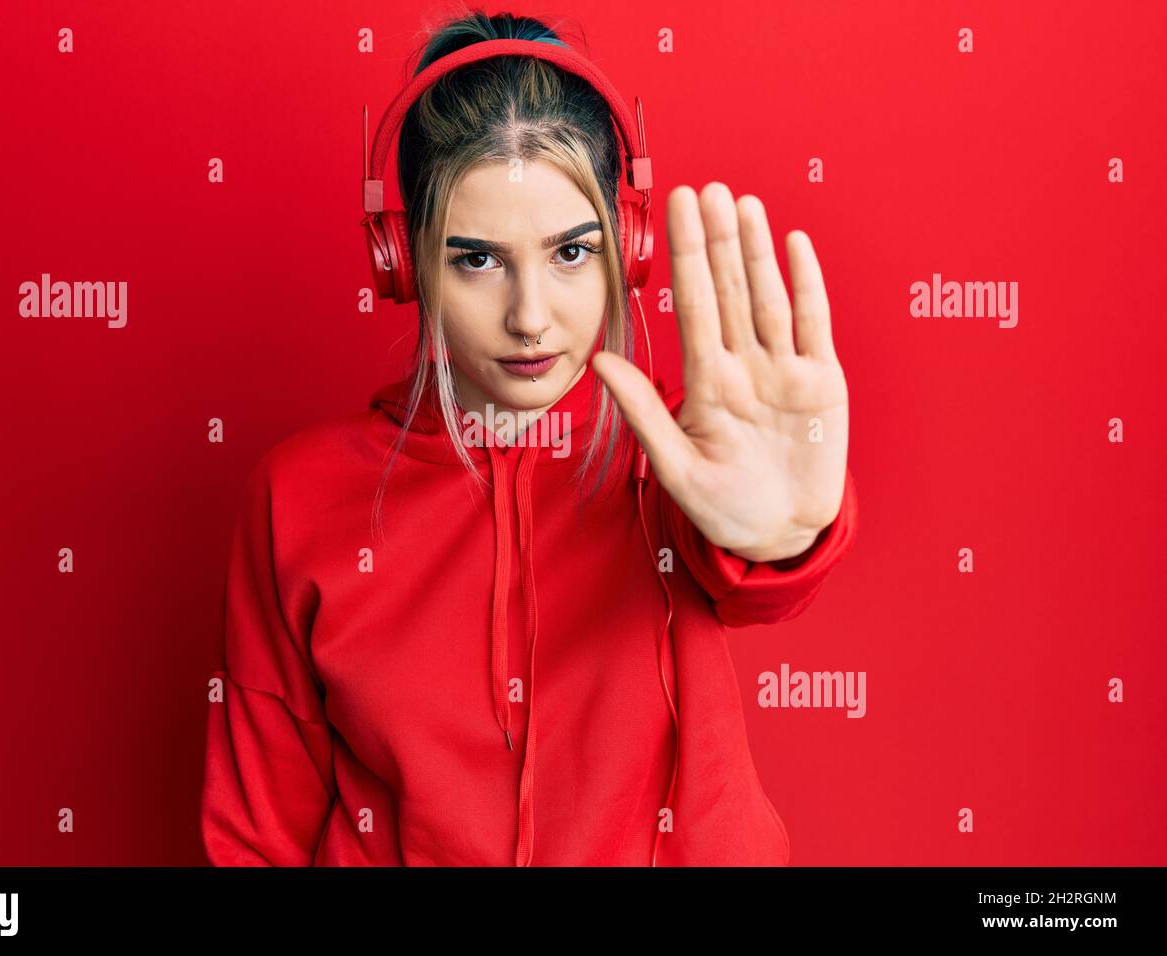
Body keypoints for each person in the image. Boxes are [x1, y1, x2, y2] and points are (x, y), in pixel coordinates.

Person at [200, 10, 858, 867]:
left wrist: (786, 538)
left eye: (572, 252)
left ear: (630, 246)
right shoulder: (297, 495)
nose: (530, 316)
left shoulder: (683, 456)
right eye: (476, 259)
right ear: (402, 262)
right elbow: (256, 837)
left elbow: (753, 573)